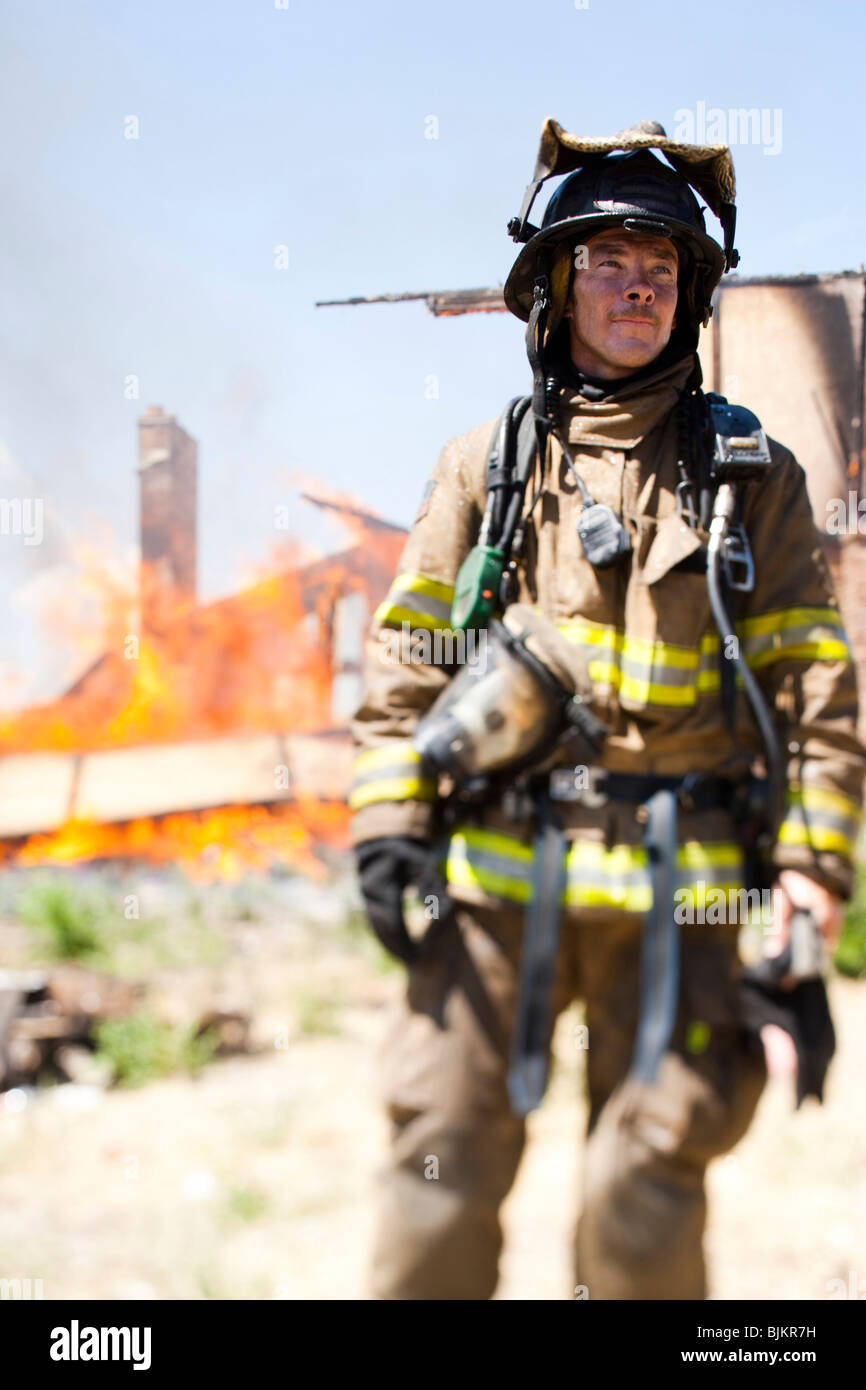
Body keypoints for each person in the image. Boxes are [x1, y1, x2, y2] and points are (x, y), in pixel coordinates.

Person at [349, 119, 866, 1300]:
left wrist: (808, 873)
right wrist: (385, 827)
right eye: (607, 261)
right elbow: (406, 656)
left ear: (687, 297)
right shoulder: (483, 465)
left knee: (641, 1192)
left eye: (661, 268)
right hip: (491, 893)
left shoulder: (755, 476)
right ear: (555, 284)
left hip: (683, 896)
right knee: (436, 1164)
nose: (636, 286)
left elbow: (814, 683)